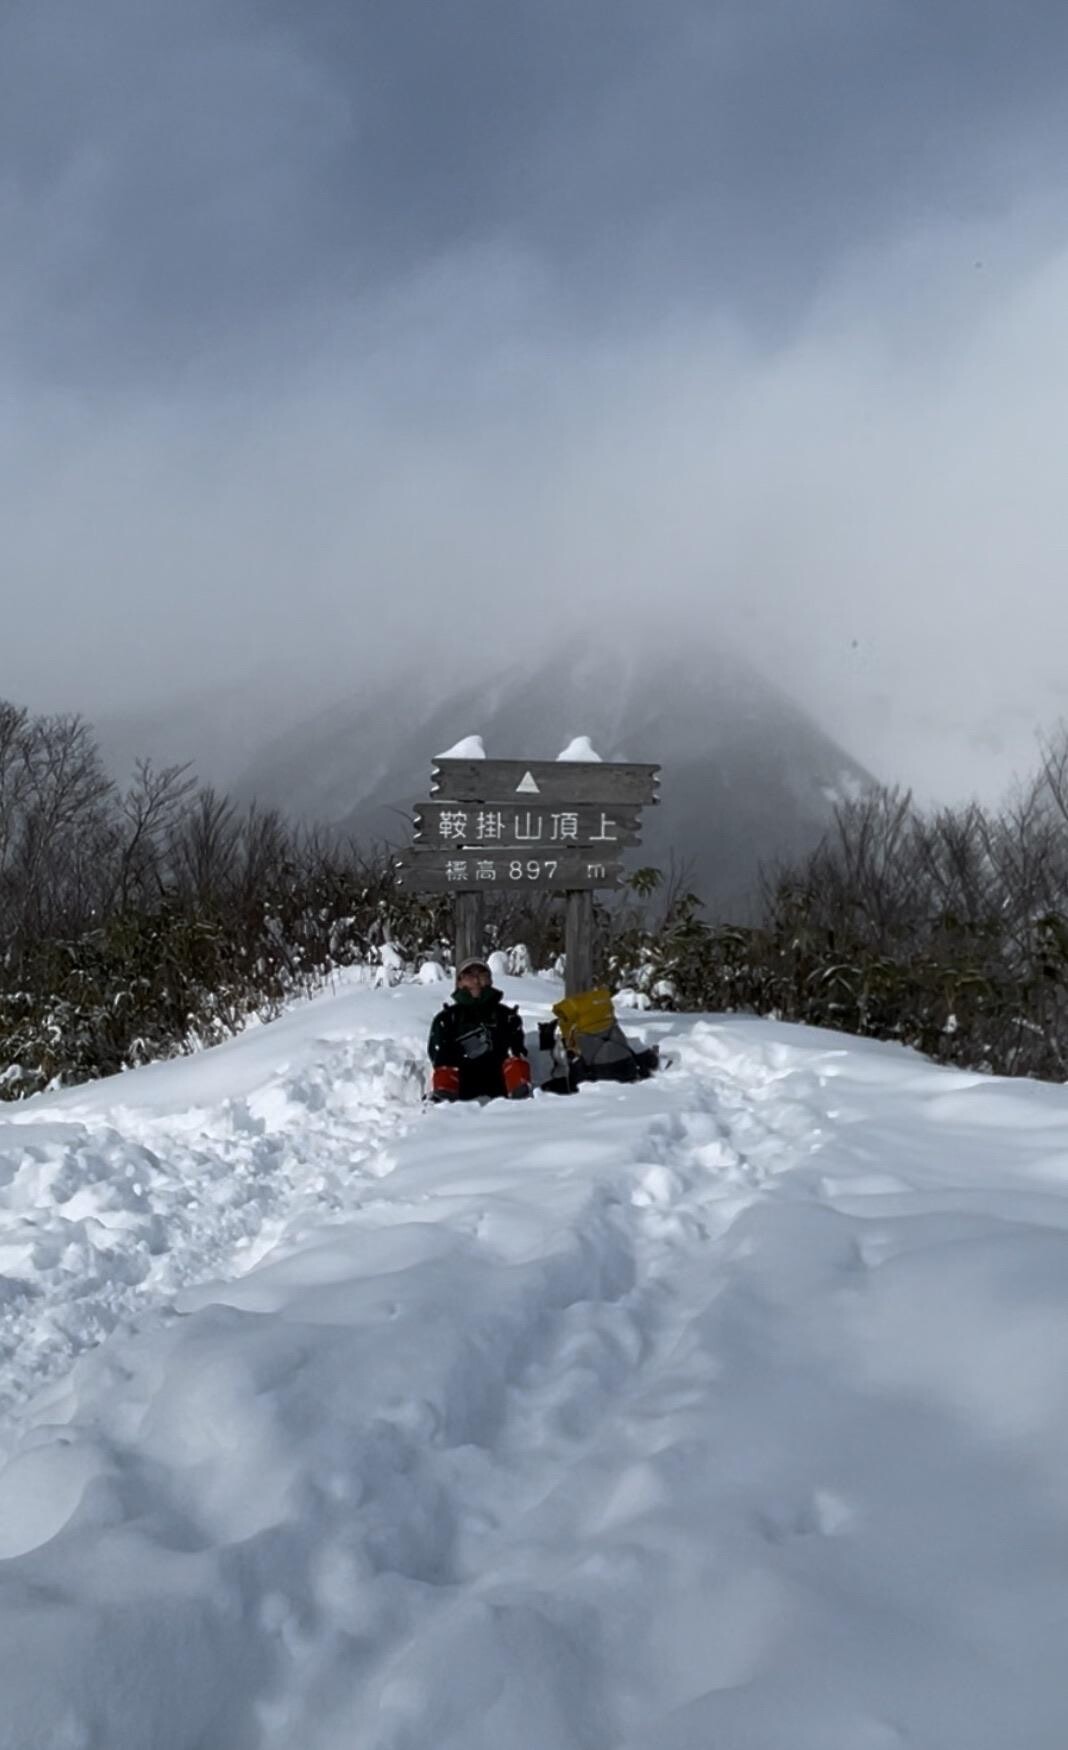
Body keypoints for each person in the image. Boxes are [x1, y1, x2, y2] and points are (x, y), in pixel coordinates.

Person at [428, 958, 532, 1102]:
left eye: (481, 976)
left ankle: (522, 1102)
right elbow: (437, 1056)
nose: (476, 981)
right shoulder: (446, 1019)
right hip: (459, 1088)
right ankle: (443, 1104)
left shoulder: (507, 1016)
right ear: (459, 982)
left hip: (502, 1085)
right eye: (470, 977)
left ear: (490, 980)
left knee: (515, 1054)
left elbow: (518, 1050)